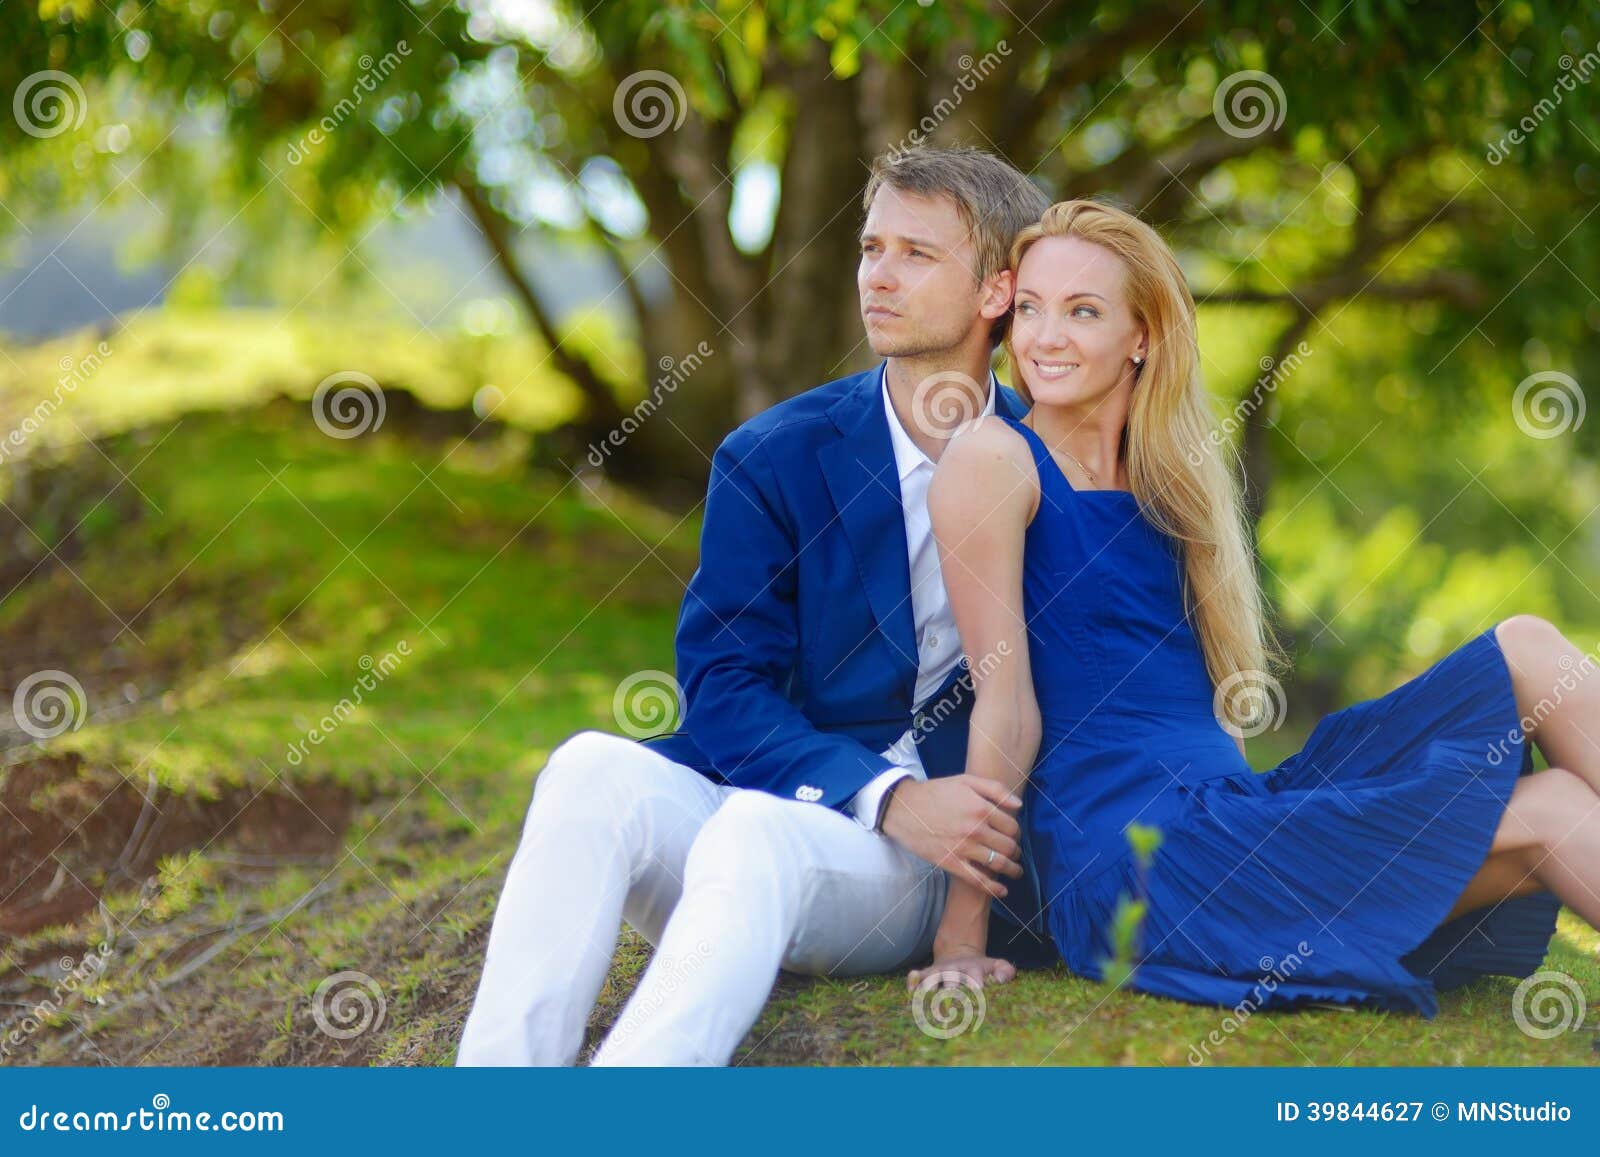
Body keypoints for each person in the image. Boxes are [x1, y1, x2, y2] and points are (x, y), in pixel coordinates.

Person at [456, 145, 1052, 1066]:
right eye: (869, 247)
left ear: (996, 292)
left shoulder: (1049, 463)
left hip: (917, 864)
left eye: (915, 255)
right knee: (586, 767)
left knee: (756, 828)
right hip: (801, 804)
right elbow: (726, 687)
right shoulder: (773, 455)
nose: (877, 277)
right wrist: (884, 795)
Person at [913, 198, 1573, 1016]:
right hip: (1140, 863)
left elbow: (1215, 715)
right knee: (1550, 812)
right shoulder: (993, 459)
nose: (1045, 337)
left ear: (1142, 336)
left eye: (1082, 311)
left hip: (1233, 819)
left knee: (1530, 650)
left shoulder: (1172, 484)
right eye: (1031, 309)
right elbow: (1004, 709)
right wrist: (961, 934)